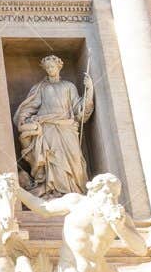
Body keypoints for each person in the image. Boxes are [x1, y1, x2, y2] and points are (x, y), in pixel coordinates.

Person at [14, 55, 93, 196]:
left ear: (59, 67)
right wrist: (23, 118)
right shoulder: (40, 88)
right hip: (47, 127)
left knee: (74, 159)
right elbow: (31, 106)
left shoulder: (69, 86)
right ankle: (54, 190)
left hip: (67, 127)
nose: (50, 69)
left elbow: (78, 109)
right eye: (48, 67)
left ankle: (75, 190)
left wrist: (90, 89)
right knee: (52, 159)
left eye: (52, 66)